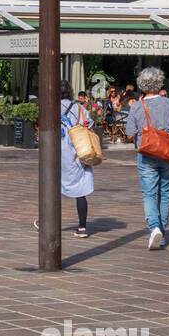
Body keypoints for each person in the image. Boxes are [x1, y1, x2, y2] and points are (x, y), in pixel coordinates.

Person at [125, 66, 169, 250]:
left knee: (149, 193)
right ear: (160, 83)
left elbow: (129, 134)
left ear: (141, 85)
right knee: (165, 193)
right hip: (168, 153)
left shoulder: (136, 107)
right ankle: (162, 233)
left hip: (146, 154)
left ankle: (154, 227)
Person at [59, 80, 94, 237]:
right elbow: (89, 124)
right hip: (79, 151)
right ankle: (82, 227)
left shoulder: (52, 107)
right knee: (81, 190)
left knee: (52, 188)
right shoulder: (79, 108)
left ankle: (47, 222)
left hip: (58, 153)